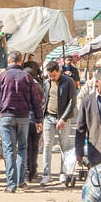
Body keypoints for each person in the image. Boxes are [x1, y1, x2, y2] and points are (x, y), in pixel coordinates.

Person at [0, 52, 43, 193]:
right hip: (24, 118)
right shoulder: (28, 78)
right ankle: (20, 181)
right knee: (22, 149)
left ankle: (11, 184)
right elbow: (36, 101)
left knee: (9, 150)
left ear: (9, 61)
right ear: (20, 62)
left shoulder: (1, 77)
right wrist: (38, 120)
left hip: (7, 117)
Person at [40, 58, 77, 186]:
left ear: (58, 71)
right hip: (48, 117)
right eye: (50, 76)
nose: (52, 78)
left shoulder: (69, 82)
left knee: (64, 146)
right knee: (47, 145)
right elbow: (44, 100)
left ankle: (63, 173)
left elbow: (72, 102)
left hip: (64, 119)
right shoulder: (46, 82)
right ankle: (46, 174)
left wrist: (63, 119)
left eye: (54, 75)